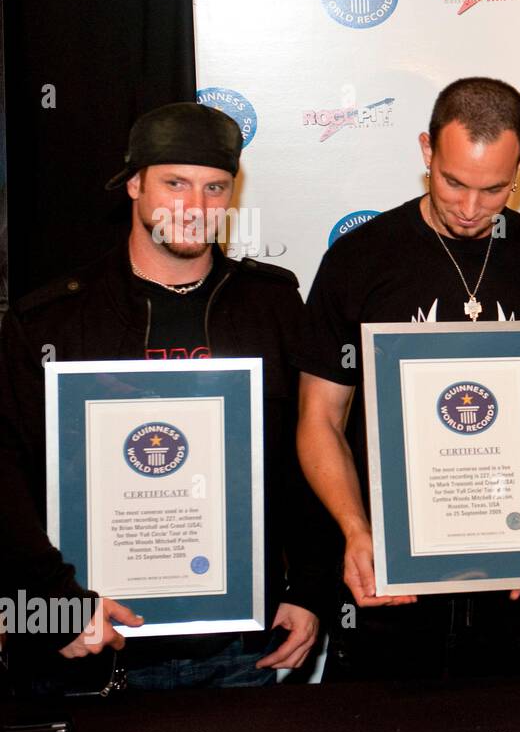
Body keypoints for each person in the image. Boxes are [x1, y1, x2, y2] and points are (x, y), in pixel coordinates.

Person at [0, 102, 331, 689]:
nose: (194, 206)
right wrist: (52, 603)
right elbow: (6, 469)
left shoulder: (271, 307)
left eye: (214, 187)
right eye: (174, 182)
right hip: (92, 645)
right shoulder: (54, 320)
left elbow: (307, 451)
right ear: (133, 183)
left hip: (239, 647)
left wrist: (310, 587)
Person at [296, 77, 520, 681]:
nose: (470, 207)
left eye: (494, 189)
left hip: (518, 590)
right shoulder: (360, 260)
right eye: (454, 181)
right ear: (427, 150)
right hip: (390, 588)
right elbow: (320, 419)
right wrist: (355, 530)